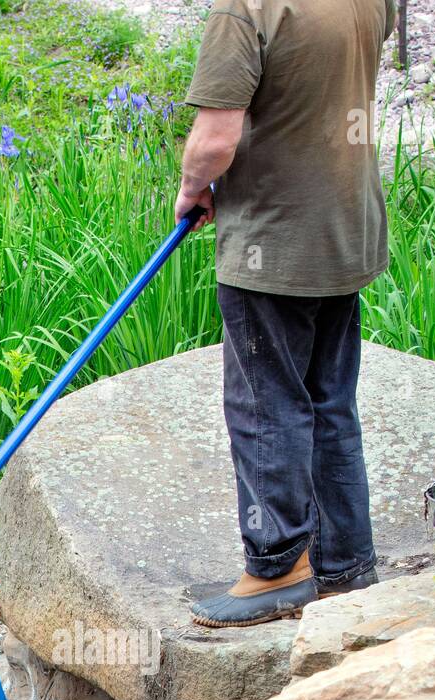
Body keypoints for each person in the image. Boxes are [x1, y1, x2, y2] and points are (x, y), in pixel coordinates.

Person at [176, 0, 398, 627]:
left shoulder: (242, 11)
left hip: (271, 243)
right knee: (329, 400)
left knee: (264, 404)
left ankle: (276, 566)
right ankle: (346, 565)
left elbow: (216, 140)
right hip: (345, 231)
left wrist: (193, 190)